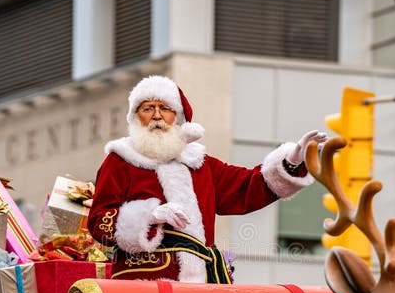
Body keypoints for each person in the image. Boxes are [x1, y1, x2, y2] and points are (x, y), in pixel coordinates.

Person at [87, 75, 327, 282]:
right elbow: (98, 221)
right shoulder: (120, 161)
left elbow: (250, 186)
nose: (157, 116)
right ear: (136, 117)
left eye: (165, 109)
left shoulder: (201, 164)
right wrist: (147, 217)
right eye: (148, 108)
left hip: (199, 286)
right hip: (141, 286)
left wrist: (293, 160)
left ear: (177, 118)